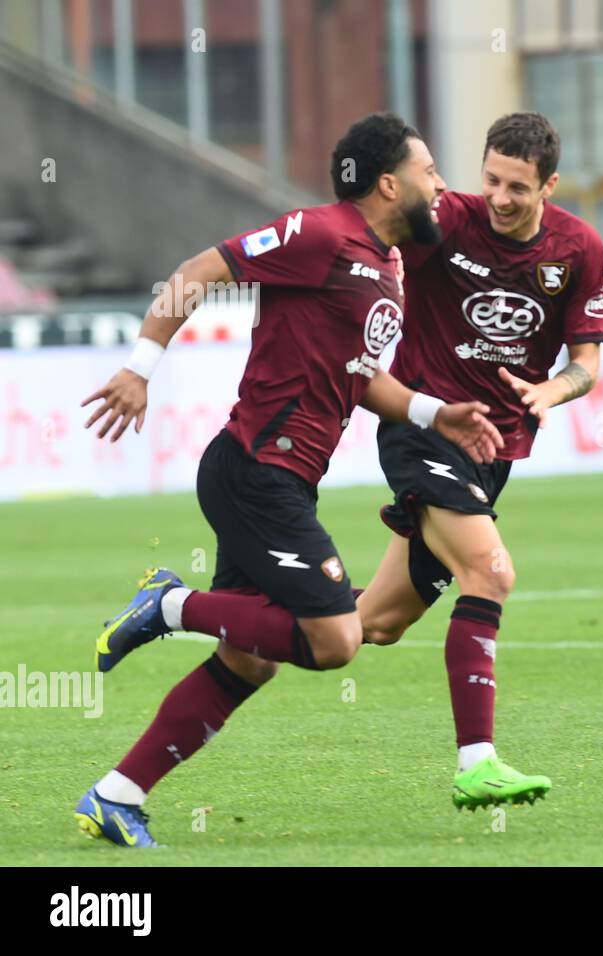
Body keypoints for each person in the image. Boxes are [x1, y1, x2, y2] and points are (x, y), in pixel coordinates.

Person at [74, 113, 503, 847]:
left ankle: (115, 796)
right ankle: (170, 603)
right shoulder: (320, 233)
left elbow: (364, 379)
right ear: (390, 182)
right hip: (254, 470)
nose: (441, 186)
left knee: (249, 662)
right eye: (430, 171)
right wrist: (139, 368)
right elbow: (198, 272)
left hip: (283, 481)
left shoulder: (386, 267)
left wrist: (437, 415)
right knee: (335, 638)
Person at [354, 112, 603, 810]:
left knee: (366, 627)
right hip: (423, 431)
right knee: (491, 570)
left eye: (518, 187)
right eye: (491, 179)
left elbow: (585, 361)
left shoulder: (579, 250)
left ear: (549, 186)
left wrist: (551, 389)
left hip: (491, 454)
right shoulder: (443, 221)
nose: (499, 197)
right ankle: (477, 763)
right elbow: (360, 222)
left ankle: (179, 608)